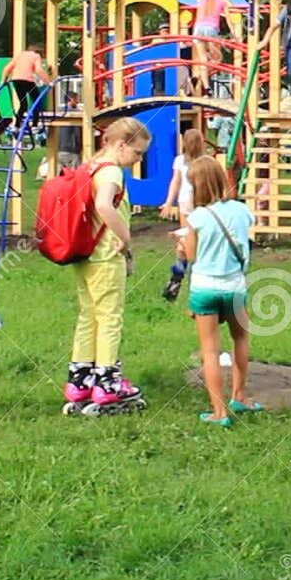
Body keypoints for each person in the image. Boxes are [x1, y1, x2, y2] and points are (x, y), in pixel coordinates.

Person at [64, 117, 150, 412]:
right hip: (105, 255)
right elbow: (103, 205)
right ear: (121, 145)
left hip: (84, 253)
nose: (138, 159)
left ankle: (80, 380)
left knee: (88, 316)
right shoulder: (112, 170)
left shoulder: (91, 165)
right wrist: (125, 238)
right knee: (110, 317)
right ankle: (107, 383)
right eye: (137, 153)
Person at [179, 156, 260, 427]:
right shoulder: (240, 209)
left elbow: (191, 255)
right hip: (235, 286)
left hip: (205, 288)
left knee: (210, 351)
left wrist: (182, 246)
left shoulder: (197, 217)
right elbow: (245, 233)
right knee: (240, 340)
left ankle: (219, 412)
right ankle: (241, 396)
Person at [160, 128, 209, 302]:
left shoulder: (181, 160)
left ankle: (177, 278)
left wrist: (168, 202)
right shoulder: (207, 161)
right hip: (199, 203)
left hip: (187, 204)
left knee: (185, 240)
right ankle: (191, 279)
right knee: (197, 242)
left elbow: (175, 182)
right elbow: (176, 181)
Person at [192, 0, 227, 97]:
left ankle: (206, 87)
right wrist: (234, 32)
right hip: (211, 30)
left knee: (202, 60)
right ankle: (203, 75)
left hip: (198, 29)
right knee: (217, 58)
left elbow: (194, 6)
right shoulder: (221, 1)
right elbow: (228, 19)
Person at [0, 42, 53, 114]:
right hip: (27, 80)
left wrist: (3, 81)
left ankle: (17, 124)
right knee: (37, 101)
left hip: (16, 80)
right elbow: (39, 70)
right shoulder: (36, 56)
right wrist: (48, 82)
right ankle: (35, 124)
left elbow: (7, 68)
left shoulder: (19, 55)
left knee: (23, 104)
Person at [54, 93, 83, 169]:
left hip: (58, 150)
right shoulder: (75, 114)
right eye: (76, 99)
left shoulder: (59, 112)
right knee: (75, 176)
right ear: (71, 99)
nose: (78, 102)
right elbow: (77, 134)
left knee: (60, 176)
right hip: (71, 151)